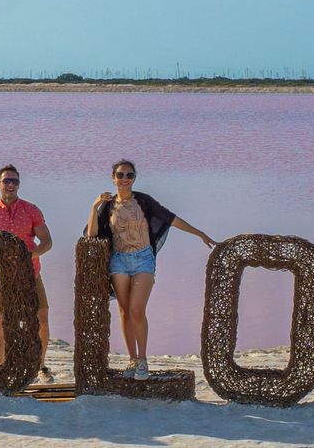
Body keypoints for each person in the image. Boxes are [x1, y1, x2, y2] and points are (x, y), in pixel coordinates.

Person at [85, 159, 216, 380]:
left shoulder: (144, 201)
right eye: (120, 175)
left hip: (143, 259)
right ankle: (132, 359)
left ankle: (143, 360)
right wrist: (94, 206)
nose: (124, 180)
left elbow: (171, 219)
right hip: (118, 261)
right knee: (124, 311)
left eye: (129, 176)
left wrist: (200, 233)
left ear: (134, 178)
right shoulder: (107, 205)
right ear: (113, 178)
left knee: (137, 310)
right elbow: (91, 234)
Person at [0, 163, 52, 377]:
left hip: (31, 272)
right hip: (1, 274)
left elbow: (47, 241)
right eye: (6, 181)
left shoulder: (30, 210)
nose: (11, 185)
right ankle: (0, 369)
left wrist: (31, 255)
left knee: (42, 317)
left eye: (15, 181)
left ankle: (40, 366)